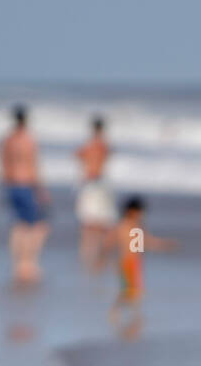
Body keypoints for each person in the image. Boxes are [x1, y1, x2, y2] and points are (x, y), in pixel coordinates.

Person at [110, 196, 178, 334]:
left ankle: (128, 313)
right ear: (131, 211)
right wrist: (104, 255)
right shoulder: (124, 225)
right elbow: (111, 240)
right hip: (126, 262)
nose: (141, 214)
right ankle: (122, 313)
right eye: (139, 211)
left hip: (136, 262)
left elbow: (146, 242)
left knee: (133, 290)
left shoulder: (137, 226)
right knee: (130, 290)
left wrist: (164, 244)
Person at [0, 105, 49, 284]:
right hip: (26, 183)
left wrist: (7, 181)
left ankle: (17, 265)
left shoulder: (8, 140)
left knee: (18, 225)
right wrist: (41, 189)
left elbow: (2, 163)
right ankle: (28, 264)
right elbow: (33, 164)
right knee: (37, 225)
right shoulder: (28, 140)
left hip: (11, 184)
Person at [75, 116, 114, 269]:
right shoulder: (103, 145)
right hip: (98, 181)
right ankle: (98, 255)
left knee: (88, 223)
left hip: (88, 182)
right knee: (103, 222)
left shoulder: (88, 145)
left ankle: (86, 254)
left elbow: (78, 155)